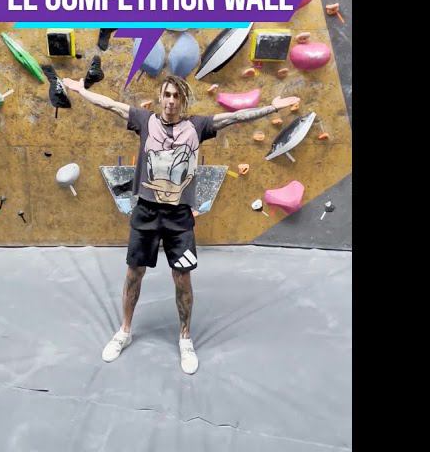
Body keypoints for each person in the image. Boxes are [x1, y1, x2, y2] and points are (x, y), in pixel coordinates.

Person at [61, 74, 299, 374]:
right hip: (146, 212)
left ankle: (185, 339)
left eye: (176, 96)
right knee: (134, 274)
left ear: (183, 100)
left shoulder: (197, 126)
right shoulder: (144, 120)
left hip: (179, 217)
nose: (171, 101)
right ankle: (124, 331)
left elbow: (236, 117)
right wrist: (81, 91)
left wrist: (272, 108)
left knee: (182, 278)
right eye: (167, 95)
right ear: (160, 97)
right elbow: (109, 104)